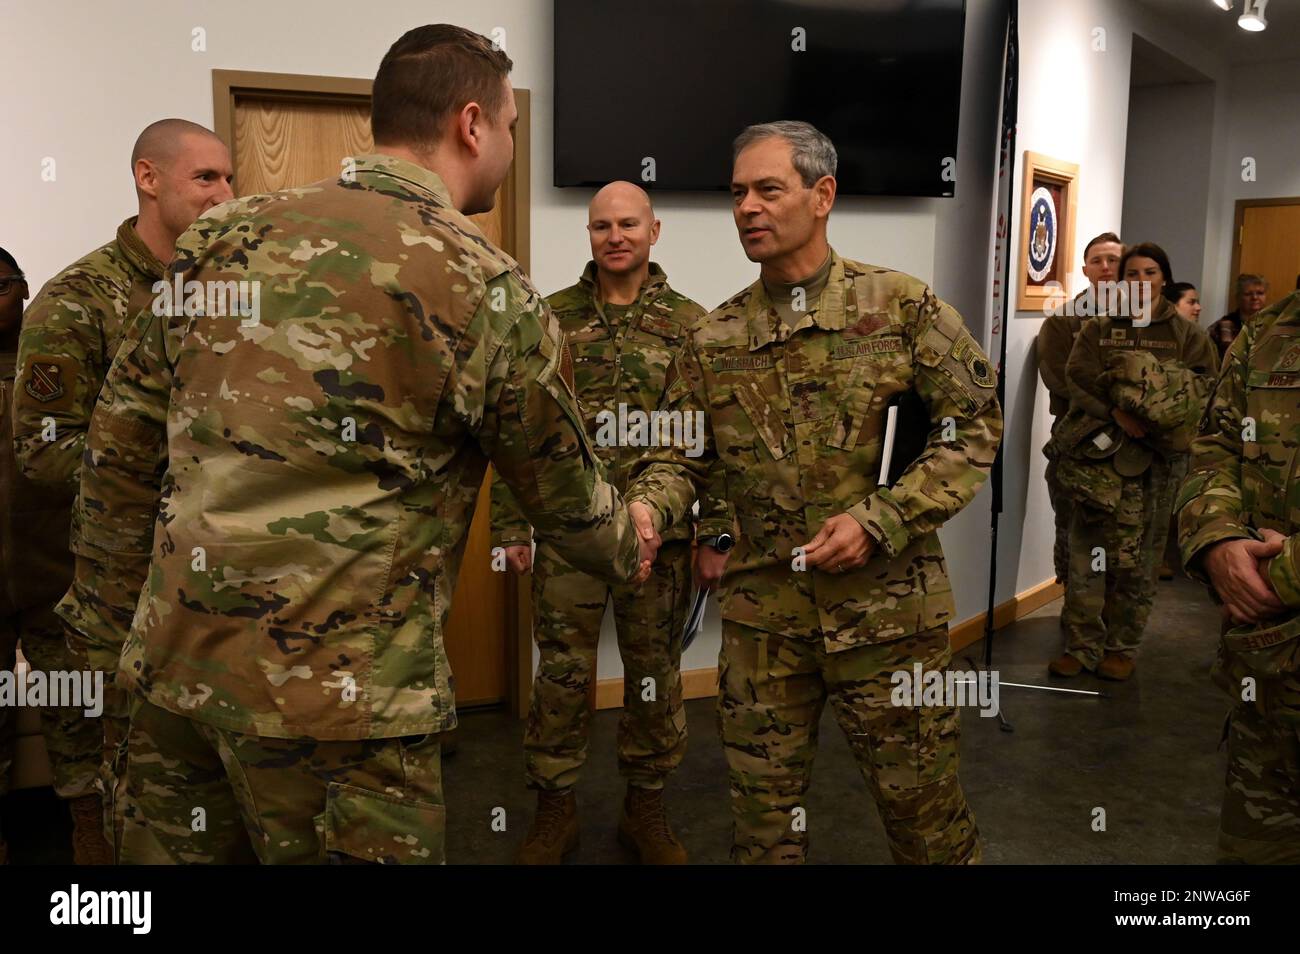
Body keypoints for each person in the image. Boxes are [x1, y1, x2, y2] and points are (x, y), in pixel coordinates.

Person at [75, 23, 654, 865]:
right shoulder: (481, 284)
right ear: (471, 124)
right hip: (340, 713)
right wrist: (628, 537)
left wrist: (116, 645)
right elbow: (566, 500)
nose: (509, 146)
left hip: (176, 681)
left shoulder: (220, 240)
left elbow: (118, 454)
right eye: (511, 128)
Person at [626, 121, 1001, 864]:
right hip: (766, 627)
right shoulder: (714, 338)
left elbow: (974, 428)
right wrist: (647, 506)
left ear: (822, 194)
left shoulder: (901, 308)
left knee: (925, 822)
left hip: (889, 621)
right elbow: (678, 458)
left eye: (769, 189)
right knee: (763, 833)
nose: (747, 209)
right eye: (738, 193)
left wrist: (884, 517)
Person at [9, 121, 233, 864]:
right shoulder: (79, 299)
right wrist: (165, 484)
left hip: (210, 594)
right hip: (109, 593)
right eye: (206, 178)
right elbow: (41, 452)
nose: (224, 195)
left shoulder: (231, 297)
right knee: (107, 793)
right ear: (149, 178)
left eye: (230, 179)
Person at [491, 182, 732, 864]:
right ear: (589, 235)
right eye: (602, 226)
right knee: (561, 677)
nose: (615, 236)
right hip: (573, 534)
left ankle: (645, 809)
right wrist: (511, 526)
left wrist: (717, 534)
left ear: (655, 231)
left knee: (653, 676)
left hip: (667, 536)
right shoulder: (550, 318)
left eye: (629, 223)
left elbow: (712, 441)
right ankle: (554, 811)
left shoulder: (694, 325)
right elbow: (520, 427)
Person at [1049, 242, 1217, 680]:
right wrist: (1116, 412)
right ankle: (1081, 645)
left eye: (1150, 273)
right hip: (1099, 459)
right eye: (1133, 273)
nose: (1141, 281)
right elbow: (1076, 378)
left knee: (1141, 558)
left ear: (1164, 278)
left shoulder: (1187, 335)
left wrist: (1162, 415)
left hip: (1158, 462)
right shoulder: (1099, 328)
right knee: (1087, 553)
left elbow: (1203, 390)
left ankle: (1122, 647)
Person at [1177, 288, 1300, 863]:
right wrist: (1219, 540)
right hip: (1270, 682)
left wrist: (1286, 575)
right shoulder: (1270, 332)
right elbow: (1217, 449)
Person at [1037, 232, 1124, 587]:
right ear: (1086, 270)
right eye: (1097, 261)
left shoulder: (1143, 321)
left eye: (1114, 260)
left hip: (1134, 447)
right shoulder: (1063, 322)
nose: (1106, 267)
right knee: (1075, 529)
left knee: (1125, 535)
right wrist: (1119, 408)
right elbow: (1062, 381)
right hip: (1079, 443)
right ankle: (1075, 605)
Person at [1157, 281, 1203, 578]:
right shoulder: (1159, 339)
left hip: (1187, 434)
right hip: (1159, 436)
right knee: (1159, 502)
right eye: (1191, 302)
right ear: (1173, 305)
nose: (1197, 307)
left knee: (1176, 499)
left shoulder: (1198, 339)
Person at [1209, 274, 1269, 363]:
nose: (1255, 297)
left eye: (1260, 293)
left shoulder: (1273, 323)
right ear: (1238, 297)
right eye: (1248, 294)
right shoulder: (1223, 326)